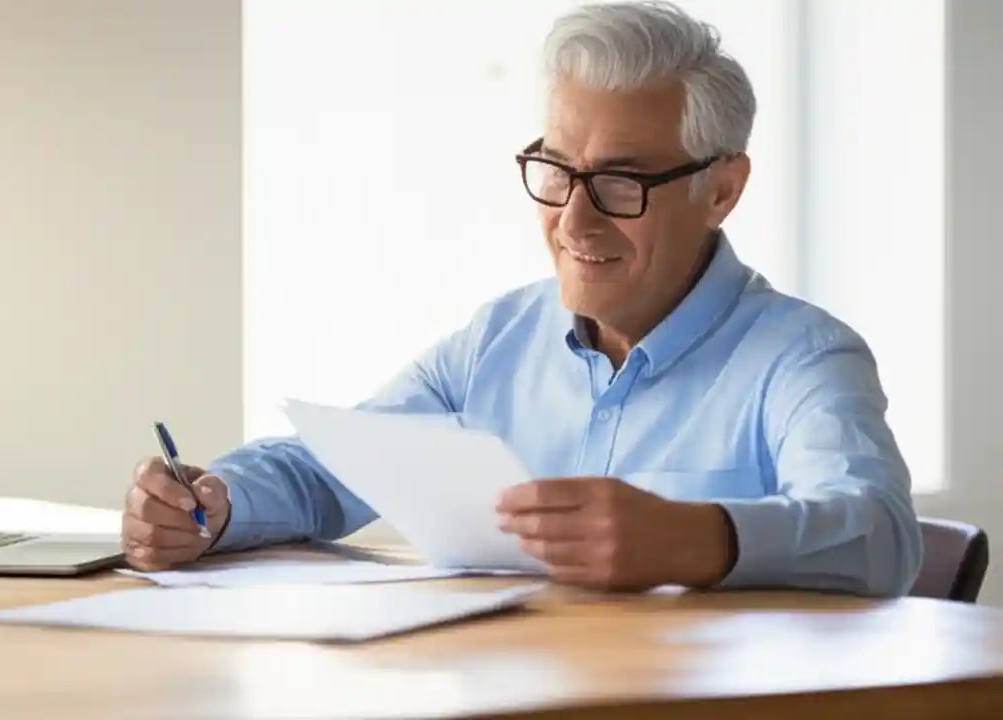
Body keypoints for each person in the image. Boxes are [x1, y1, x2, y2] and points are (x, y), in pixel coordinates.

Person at [121, 0, 922, 596]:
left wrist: (697, 539)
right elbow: (334, 468)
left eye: (619, 179)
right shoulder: (498, 339)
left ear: (722, 190)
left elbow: (881, 533)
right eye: (557, 168)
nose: (572, 218)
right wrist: (213, 506)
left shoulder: (801, 357)